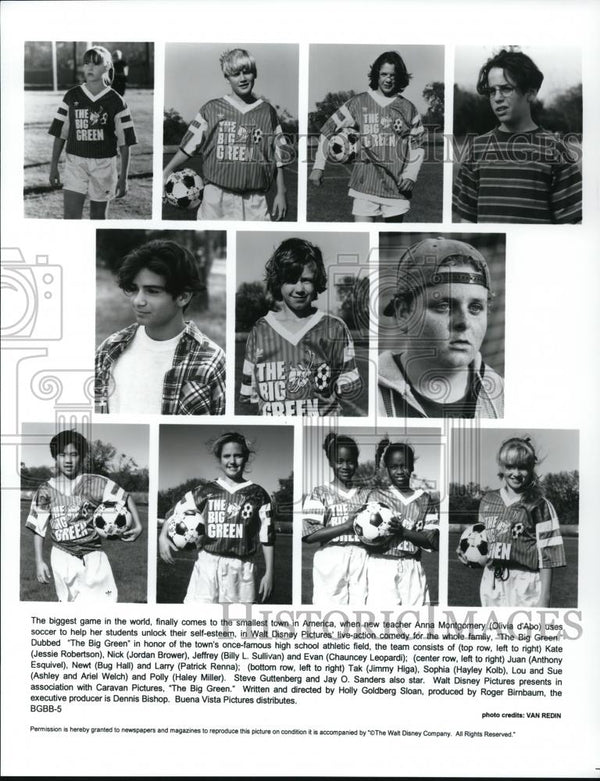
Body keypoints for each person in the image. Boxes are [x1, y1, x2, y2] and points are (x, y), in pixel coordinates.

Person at [95, 239, 226, 415]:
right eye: (134, 289)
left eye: (152, 291)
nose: (138, 301)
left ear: (183, 296)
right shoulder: (109, 349)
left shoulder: (210, 361)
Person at [378, 236, 504, 418]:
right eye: (443, 306)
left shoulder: (507, 399)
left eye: (475, 308)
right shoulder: (367, 396)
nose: (464, 322)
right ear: (404, 313)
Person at [453, 48, 582, 224]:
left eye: (506, 89)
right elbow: (467, 220)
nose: (497, 98)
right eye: (492, 91)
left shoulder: (555, 149)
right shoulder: (477, 147)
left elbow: (570, 223)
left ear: (531, 92)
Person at [239, 237, 362, 416]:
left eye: (306, 280)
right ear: (278, 282)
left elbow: (348, 389)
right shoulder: (260, 331)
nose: (299, 289)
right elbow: (250, 397)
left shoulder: (334, 328)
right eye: (291, 280)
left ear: (317, 281)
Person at [162, 48, 288, 221]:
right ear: (227, 78)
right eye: (236, 74)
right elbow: (188, 147)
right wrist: (166, 171)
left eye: (247, 72)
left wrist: (281, 192)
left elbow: (279, 156)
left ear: (255, 74)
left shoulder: (267, 112)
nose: (242, 78)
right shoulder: (210, 109)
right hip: (215, 199)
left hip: (255, 201)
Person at [25, 429, 142, 602]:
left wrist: (138, 525)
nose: (68, 460)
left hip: (93, 555)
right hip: (62, 556)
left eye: (74, 454)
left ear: (82, 457)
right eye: (62, 455)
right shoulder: (45, 491)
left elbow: (124, 497)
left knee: (105, 604)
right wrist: (39, 561)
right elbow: (38, 529)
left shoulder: (95, 483)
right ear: (55, 457)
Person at [159, 432, 274, 604]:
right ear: (219, 459)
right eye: (226, 456)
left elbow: (268, 537)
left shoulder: (258, 494)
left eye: (238, 455)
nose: (232, 461)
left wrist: (269, 573)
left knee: (238, 619)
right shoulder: (205, 491)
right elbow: (176, 513)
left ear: (246, 457)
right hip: (207, 565)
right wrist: (162, 536)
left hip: (242, 570)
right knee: (199, 617)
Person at [309, 50, 425, 222]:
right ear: (376, 74)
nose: (388, 79)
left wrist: (410, 175)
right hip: (364, 187)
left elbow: (417, 146)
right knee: (362, 234)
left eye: (393, 75)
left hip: (396, 189)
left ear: (399, 77)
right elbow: (328, 129)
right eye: (384, 74)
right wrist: (318, 166)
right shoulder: (358, 102)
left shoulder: (408, 108)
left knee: (391, 237)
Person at [48, 45, 137, 219]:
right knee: (71, 217)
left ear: (107, 66)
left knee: (98, 218)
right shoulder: (72, 96)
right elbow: (60, 135)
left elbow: (125, 143)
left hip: (104, 165)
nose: (90, 67)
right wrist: (53, 167)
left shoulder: (116, 101)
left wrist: (123, 178)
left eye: (96, 63)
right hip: (75, 162)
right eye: (86, 63)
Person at [478, 437, 566, 607]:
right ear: (501, 467)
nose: (516, 473)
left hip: (525, 584)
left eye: (523, 467)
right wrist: (468, 553)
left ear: (531, 468)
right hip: (491, 580)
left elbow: (548, 556)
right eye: (510, 466)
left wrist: (544, 599)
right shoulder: (488, 500)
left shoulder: (540, 505)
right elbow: (481, 541)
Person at [365, 440, 438, 605]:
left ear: (412, 467)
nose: (399, 471)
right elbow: (365, 536)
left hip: (412, 566)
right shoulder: (376, 496)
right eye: (393, 467)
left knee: (418, 619)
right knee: (382, 618)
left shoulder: (424, 500)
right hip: (381, 565)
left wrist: (403, 532)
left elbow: (433, 541)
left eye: (404, 466)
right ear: (387, 468)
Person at [302, 434, 370, 604]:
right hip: (330, 557)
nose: (345, 466)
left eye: (350, 461)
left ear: (356, 462)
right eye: (340, 461)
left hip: (362, 557)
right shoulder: (320, 493)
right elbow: (309, 535)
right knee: (329, 612)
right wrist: (346, 526)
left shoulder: (366, 494)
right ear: (331, 462)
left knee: (360, 611)